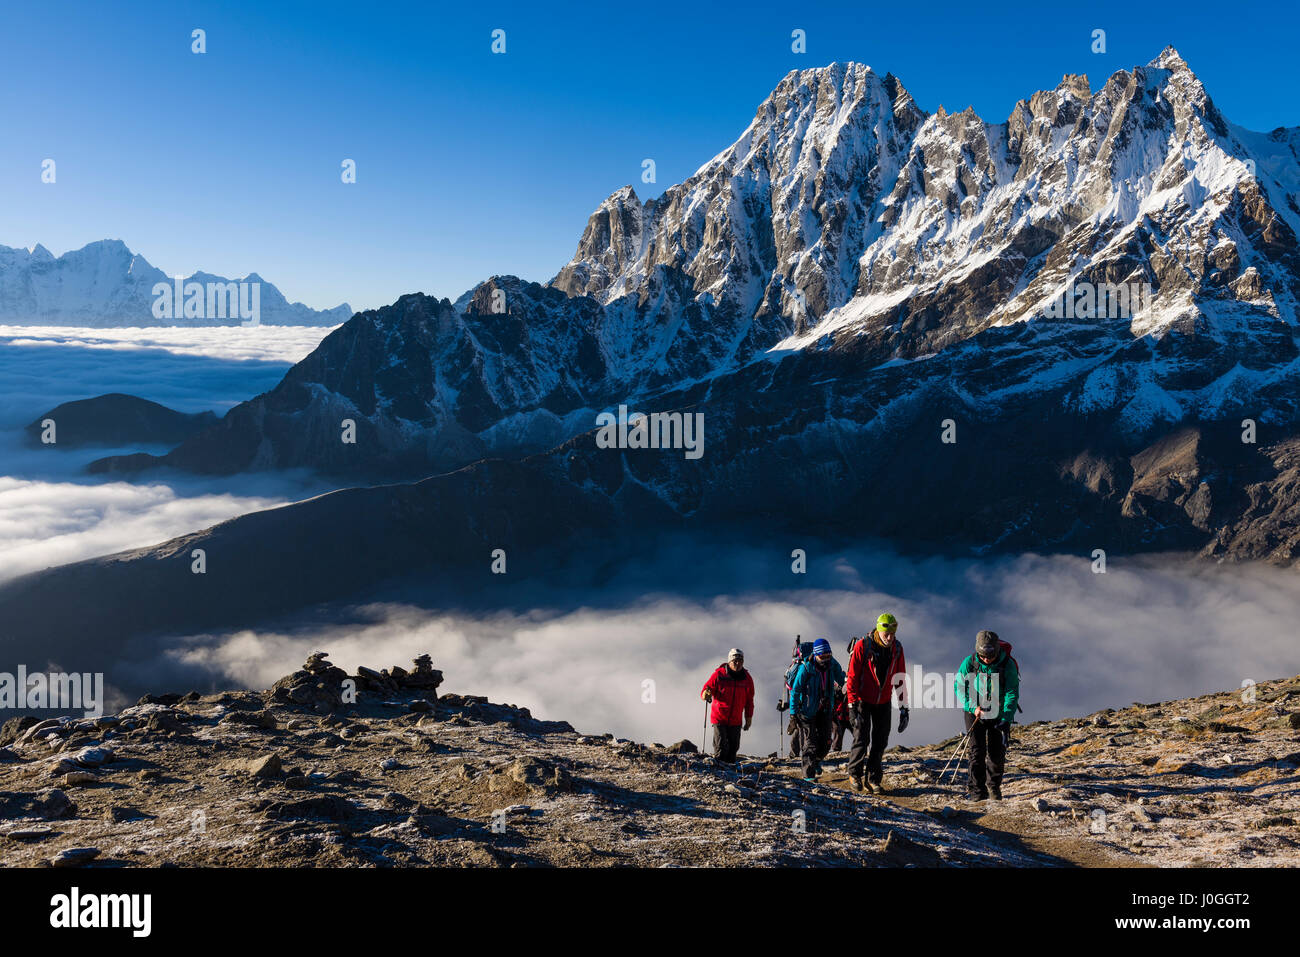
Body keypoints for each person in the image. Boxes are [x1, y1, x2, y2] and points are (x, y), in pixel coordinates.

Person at [954, 629, 1021, 801]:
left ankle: (993, 788)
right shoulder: (969, 663)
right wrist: (972, 706)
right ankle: (977, 792)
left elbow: (1011, 692)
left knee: (996, 752)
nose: (986, 659)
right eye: (982, 656)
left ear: (997, 650)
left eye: (989, 656)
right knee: (976, 751)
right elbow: (960, 687)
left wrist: (1006, 719)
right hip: (974, 711)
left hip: (998, 712)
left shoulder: (1007, 664)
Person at [846, 613, 909, 793]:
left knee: (880, 741)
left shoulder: (897, 648)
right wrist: (852, 705)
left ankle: (873, 779)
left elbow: (900, 678)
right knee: (861, 738)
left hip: (883, 701)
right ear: (879, 630)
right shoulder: (863, 646)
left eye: (892, 634)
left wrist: (904, 708)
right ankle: (855, 774)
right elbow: (852, 677)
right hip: (862, 700)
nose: (889, 638)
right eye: (886, 634)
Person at [789, 639, 846, 781]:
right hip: (807, 711)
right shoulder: (806, 668)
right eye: (823, 656)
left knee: (826, 743)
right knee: (810, 743)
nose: (826, 659)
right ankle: (808, 775)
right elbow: (795, 691)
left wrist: (848, 687)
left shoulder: (832, 664)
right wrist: (793, 714)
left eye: (829, 655)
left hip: (825, 709)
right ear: (816, 654)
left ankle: (815, 762)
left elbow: (842, 680)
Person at [700, 648, 755, 763]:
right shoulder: (719, 675)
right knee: (720, 748)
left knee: (733, 749)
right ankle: (720, 773)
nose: (738, 663)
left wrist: (748, 718)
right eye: (735, 661)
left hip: (736, 720)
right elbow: (707, 688)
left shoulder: (747, 679)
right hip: (719, 717)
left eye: (740, 660)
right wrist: (706, 693)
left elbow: (749, 700)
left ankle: (730, 774)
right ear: (729, 661)